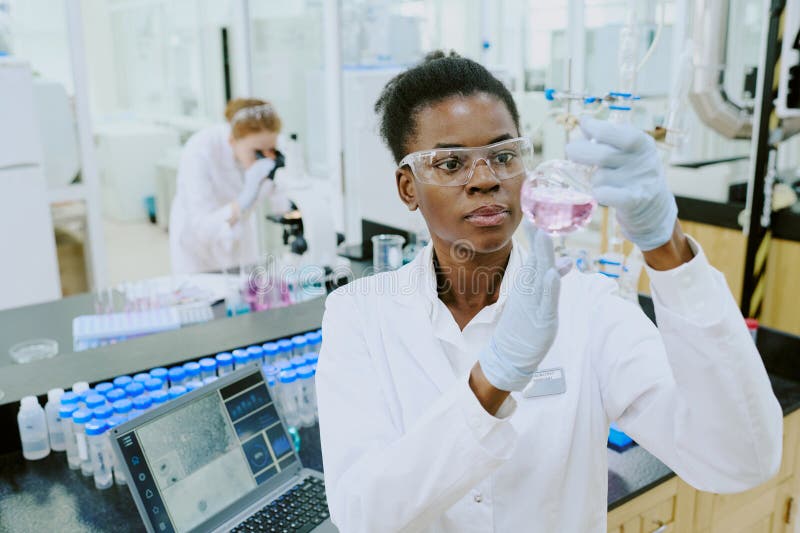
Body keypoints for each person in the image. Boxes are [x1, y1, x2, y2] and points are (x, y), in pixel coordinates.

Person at [316, 51, 783, 532]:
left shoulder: (590, 307)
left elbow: (739, 460)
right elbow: (362, 513)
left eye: (503, 155)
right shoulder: (358, 315)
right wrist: (491, 380)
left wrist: (665, 246)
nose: (486, 179)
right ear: (407, 187)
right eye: (451, 163)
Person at [169, 98, 289, 274]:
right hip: (198, 246)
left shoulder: (267, 144)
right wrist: (243, 201)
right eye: (257, 152)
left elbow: (282, 198)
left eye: (272, 149)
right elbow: (201, 226)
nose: (266, 157)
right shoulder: (200, 151)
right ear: (232, 141)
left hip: (239, 238)